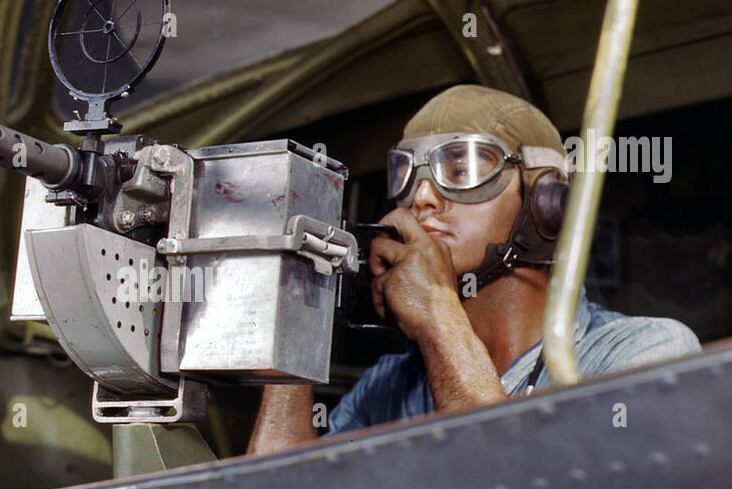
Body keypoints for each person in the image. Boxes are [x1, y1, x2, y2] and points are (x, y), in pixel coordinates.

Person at [248, 85, 700, 454]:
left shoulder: (643, 352)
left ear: (546, 204)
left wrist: (436, 314)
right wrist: (295, 316)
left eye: (460, 167)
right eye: (405, 173)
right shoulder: (389, 384)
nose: (421, 196)